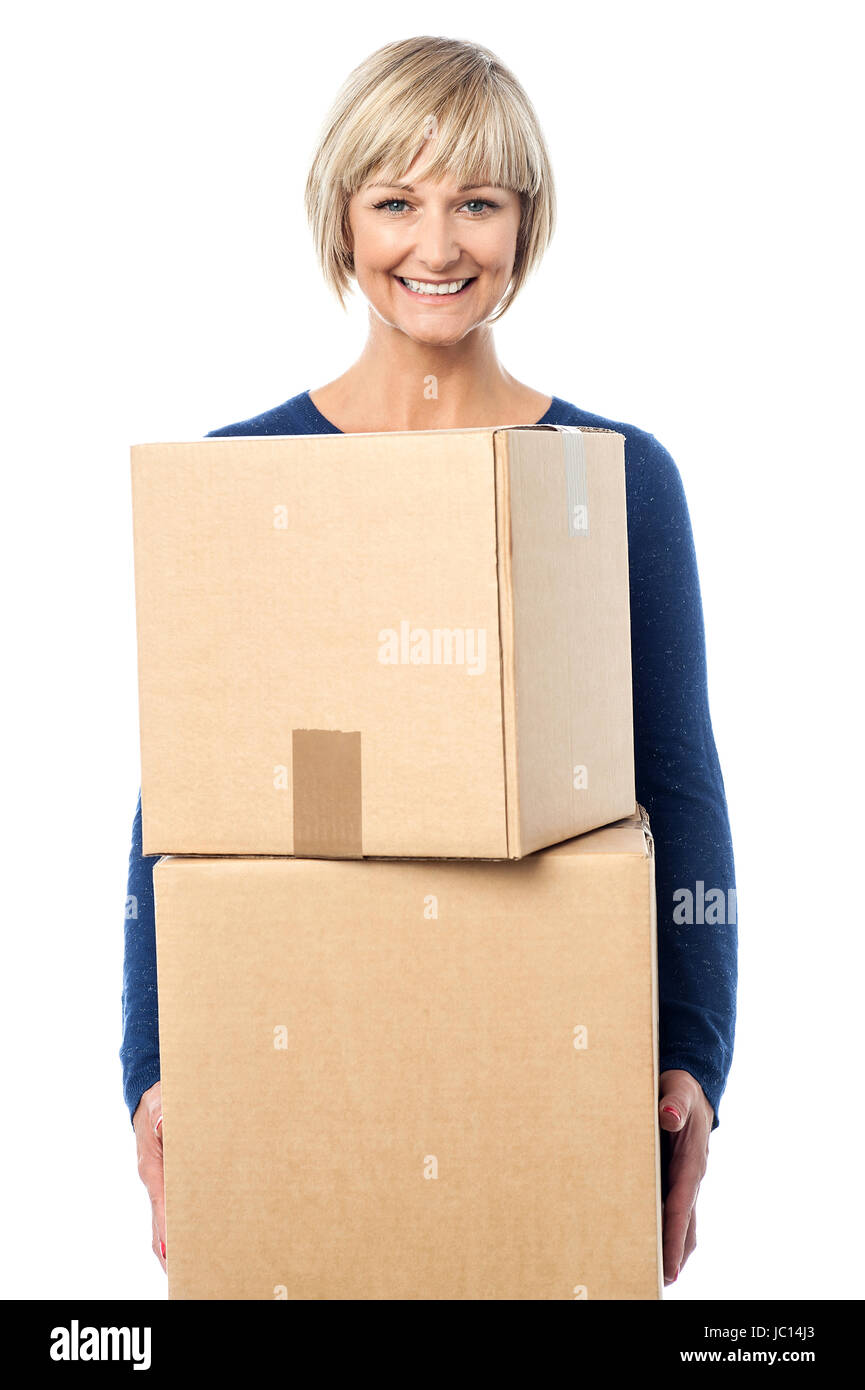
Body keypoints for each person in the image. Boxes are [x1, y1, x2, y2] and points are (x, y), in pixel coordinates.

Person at [122, 34, 737, 1291]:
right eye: (395, 201)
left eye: (477, 202)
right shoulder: (250, 479)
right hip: (311, 1052)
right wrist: (151, 1068)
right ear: (341, 217)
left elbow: (678, 784)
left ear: (526, 221)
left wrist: (694, 1056)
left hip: (545, 1049)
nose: (437, 244)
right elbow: (183, 810)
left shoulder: (614, 478)